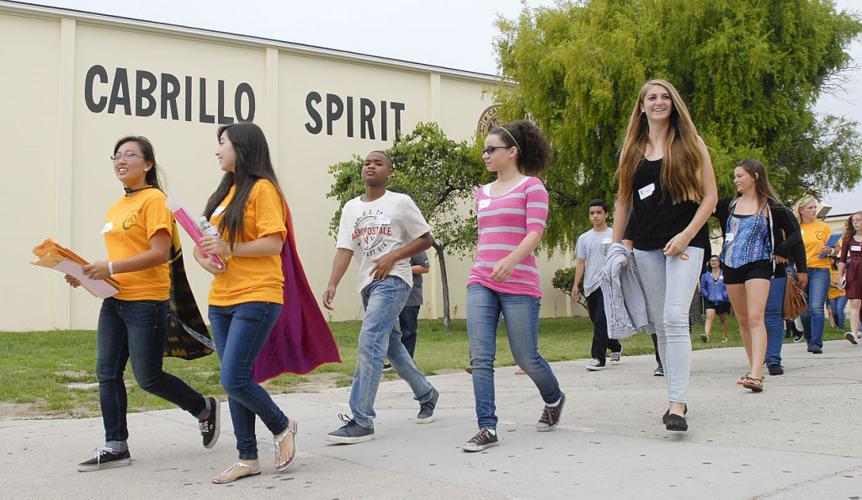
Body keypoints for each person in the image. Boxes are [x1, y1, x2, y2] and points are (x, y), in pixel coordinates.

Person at [73, 136, 219, 472]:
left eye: (130, 155)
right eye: (117, 156)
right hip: (114, 300)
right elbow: (120, 256)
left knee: (148, 377)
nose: (121, 161)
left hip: (146, 303)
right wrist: (86, 275)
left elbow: (157, 253)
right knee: (106, 373)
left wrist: (107, 267)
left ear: (148, 164)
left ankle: (203, 408)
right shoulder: (116, 206)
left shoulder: (155, 200)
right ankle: (116, 445)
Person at [612, 79, 717, 432]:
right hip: (645, 247)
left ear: (674, 104)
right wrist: (616, 246)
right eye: (651, 98)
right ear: (641, 107)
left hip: (686, 243)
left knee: (674, 317)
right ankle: (678, 397)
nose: (659, 102)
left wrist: (686, 235)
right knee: (660, 324)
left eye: (665, 97)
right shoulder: (633, 150)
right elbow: (624, 201)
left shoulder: (691, 143)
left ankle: (676, 406)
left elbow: (710, 198)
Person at [197, 123, 297, 483]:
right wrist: (204, 255)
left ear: (242, 146)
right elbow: (206, 243)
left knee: (234, 377)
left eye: (222, 143)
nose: (217, 150)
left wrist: (229, 249)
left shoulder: (263, 189)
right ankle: (247, 457)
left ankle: (282, 425)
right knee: (235, 379)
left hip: (258, 295)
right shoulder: (226, 193)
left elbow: (273, 243)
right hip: (221, 298)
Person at [322, 151, 439, 444]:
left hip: (395, 280)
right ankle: (427, 393)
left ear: (390, 172)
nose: (370, 166)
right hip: (368, 284)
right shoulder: (350, 208)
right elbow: (345, 249)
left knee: (370, 339)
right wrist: (332, 283)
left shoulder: (400, 202)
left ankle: (362, 419)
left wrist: (394, 256)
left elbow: (426, 238)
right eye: (366, 162)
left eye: (378, 163)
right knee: (392, 348)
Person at [462, 120, 565, 452]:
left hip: (519, 280)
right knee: (480, 357)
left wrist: (511, 260)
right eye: (484, 150)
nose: (485, 155)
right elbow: (486, 237)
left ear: (512, 152)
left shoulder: (531, 187)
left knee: (525, 357)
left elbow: (535, 232)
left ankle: (554, 397)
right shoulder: (482, 193)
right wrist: (491, 264)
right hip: (482, 280)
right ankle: (487, 427)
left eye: (491, 149)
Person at [714, 159, 804, 390]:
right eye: (735, 176)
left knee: (756, 317)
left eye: (740, 176)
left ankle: (756, 375)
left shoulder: (771, 206)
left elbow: (795, 233)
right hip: (731, 264)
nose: (735, 180)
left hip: (759, 264)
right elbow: (701, 204)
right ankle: (755, 365)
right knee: (742, 319)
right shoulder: (728, 205)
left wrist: (782, 249)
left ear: (754, 176)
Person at [573, 199, 622, 371]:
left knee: (601, 320)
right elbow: (581, 263)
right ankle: (615, 346)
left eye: (599, 212)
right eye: (592, 213)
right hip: (590, 285)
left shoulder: (615, 235)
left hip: (608, 284)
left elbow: (623, 259)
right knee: (597, 320)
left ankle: (598, 358)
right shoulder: (584, 238)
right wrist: (576, 285)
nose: (595, 216)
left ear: (606, 214)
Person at [796, 197, 833, 354]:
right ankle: (810, 339)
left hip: (820, 270)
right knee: (803, 310)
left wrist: (829, 250)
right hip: (802, 271)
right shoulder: (796, 228)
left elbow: (834, 249)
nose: (813, 210)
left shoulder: (824, 227)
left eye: (814, 207)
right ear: (801, 210)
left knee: (816, 307)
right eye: (810, 207)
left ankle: (817, 343)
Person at [383, 251, 430, 370]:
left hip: (411, 295)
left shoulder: (415, 245)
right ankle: (393, 361)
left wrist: (399, 270)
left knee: (408, 330)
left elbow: (425, 268)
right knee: (389, 330)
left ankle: (406, 363)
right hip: (391, 293)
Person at [838, 211, 862, 344]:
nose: (856, 223)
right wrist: (840, 276)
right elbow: (842, 259)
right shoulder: (848, 239)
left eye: (859, 220)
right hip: (854, 272)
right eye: (854, 221)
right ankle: (854, 334)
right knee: (855, 303)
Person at [700, 256, 730, 343]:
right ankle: (706, 335)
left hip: (723, 300)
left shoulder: (725, 274)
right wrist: (707, 295)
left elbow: (728, 286)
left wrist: (724, 295)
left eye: (715, 260)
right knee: (709, 317)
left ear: (719, 262)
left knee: (723, 319)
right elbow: (702, 287)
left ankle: (725, 336)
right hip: (710, 300)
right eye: (711, 261)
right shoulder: (705, 275)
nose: (713, 262)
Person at [827, 258, 847, 331]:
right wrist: (836, 286)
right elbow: (827, 282)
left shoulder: (840, 270)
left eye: (830, 259)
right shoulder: (826, 270)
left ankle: (841, 328)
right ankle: (838, 325)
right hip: (832, 294)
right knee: (834, 311)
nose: (829, 261)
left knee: (839, 309)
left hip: (842, 293)